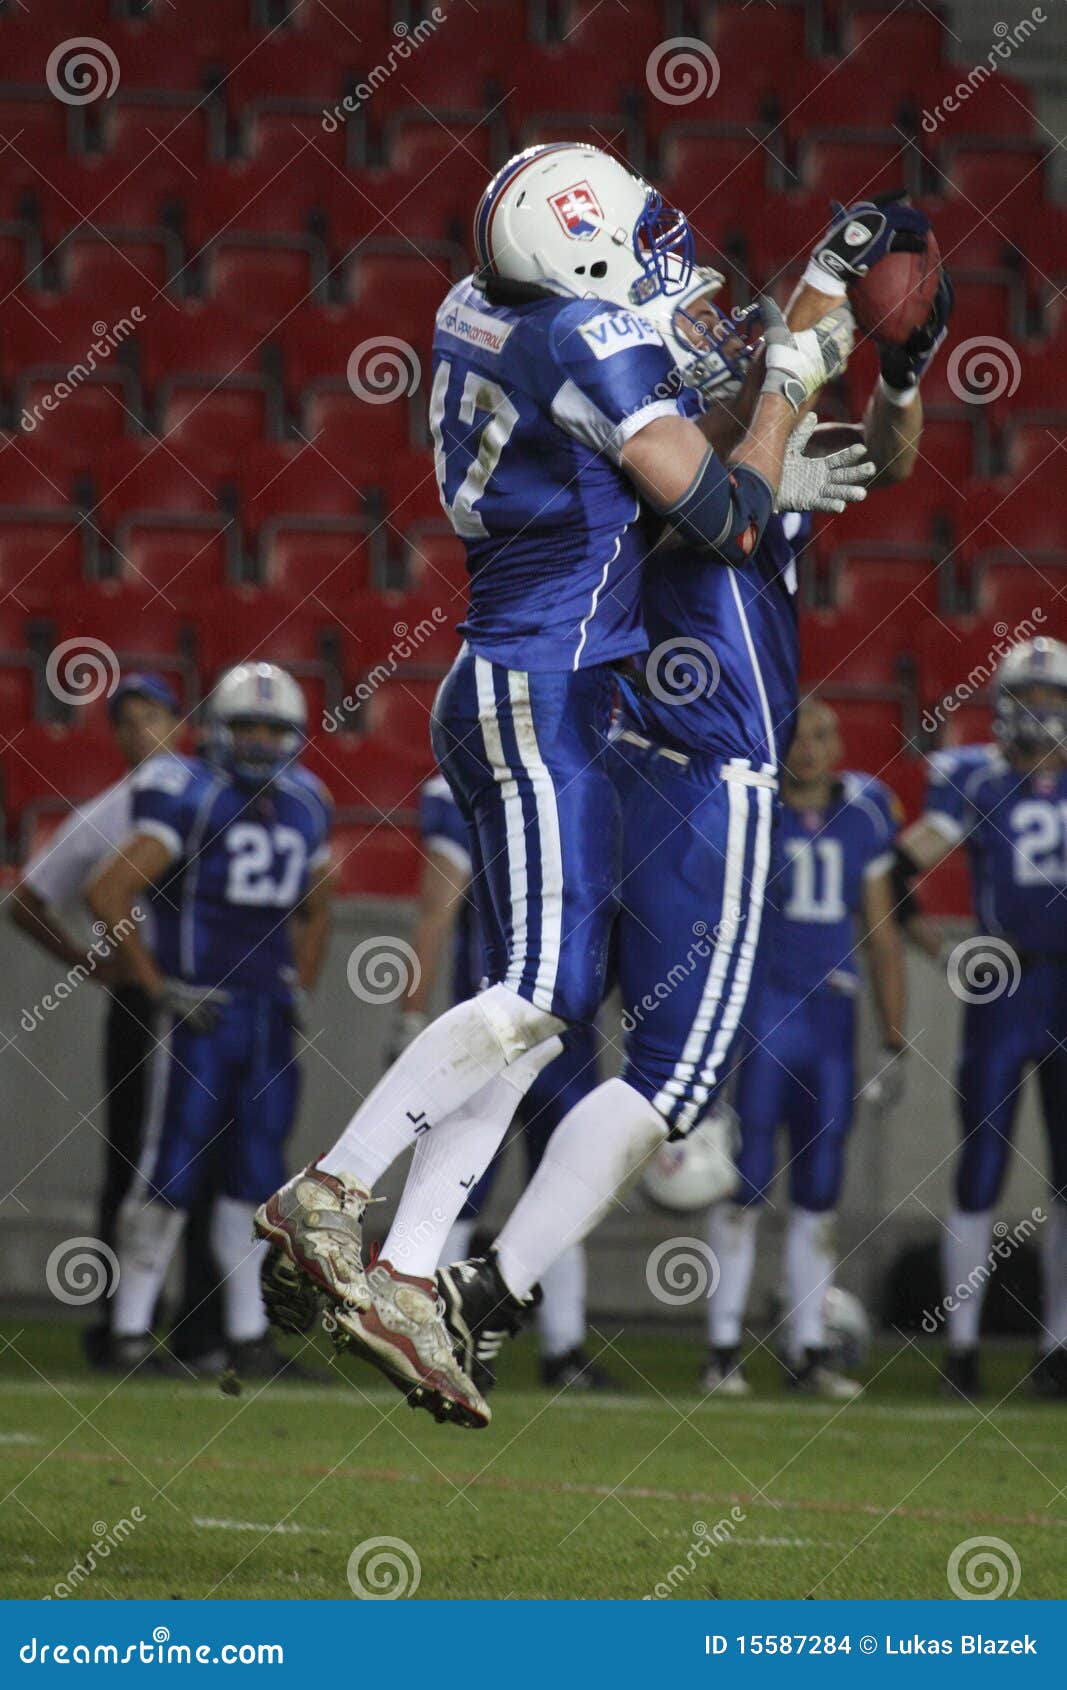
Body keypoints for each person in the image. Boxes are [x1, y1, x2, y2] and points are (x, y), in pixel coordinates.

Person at [255, 140, 857, 1430]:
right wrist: (782, 396)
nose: (658, 264)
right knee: (535, 991)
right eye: (629, 246)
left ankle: (412, 1271)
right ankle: (333, 1187)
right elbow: (718, 519)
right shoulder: (590, 338)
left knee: (548, 1008)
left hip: (528, 680)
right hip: (541, 690)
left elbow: (615, 451)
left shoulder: (475, 304)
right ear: (582, 258)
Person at [433, 196, 951, 1397]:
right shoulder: (687, 475)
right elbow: (750, 460)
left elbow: (879, 449)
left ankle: (420, 1249)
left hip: (624, 763)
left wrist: (904, 366)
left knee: (540, 1016)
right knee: (664, 1079)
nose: (730, 365)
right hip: (704, 770)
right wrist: (829, 278)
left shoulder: (670, 460)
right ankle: (487, 1286)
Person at [86, 662, 333, 1382]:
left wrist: (299, 982)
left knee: (256, 1179)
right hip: (201, 1012)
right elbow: (107, 891)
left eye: (272, 728)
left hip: (264, 1017)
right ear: (219, 731)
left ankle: (248, 1336)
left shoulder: (306, 802)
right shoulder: (185, 793)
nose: (259, 741)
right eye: (246, 726)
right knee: (169, 1171)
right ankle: (129, 1332)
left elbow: (320, 905)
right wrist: (160, 988)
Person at [8, 674, 226, 1370]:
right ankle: (120, 1324)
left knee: (213, 1158)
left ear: (178, 721)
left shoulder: (206, 794)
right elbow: (27, 899)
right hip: (148, 1001)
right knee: (136, 1160)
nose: (142, 734)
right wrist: (89, 962)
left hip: (213, 997)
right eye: (127, 723)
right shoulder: (118, 808)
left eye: (153, 717)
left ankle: (203, 1324)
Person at [703, 699, 907, 1401]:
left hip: (830, 1022)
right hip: (764, 1015)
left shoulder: (866, 814)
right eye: (797, 735)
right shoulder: (751, 811)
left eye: (822, 734)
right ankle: (722, 1345)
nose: (810, 748)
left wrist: (894, 1035)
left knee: (819, 1188)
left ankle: (807, 1347)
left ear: (840, 742)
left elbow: (879, 932)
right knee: (747, 1179)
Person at [393, 770, 613, 1392]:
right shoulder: (467, 789)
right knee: (461, 1188)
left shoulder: (592, 782)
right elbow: (437, 909)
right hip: (502, 1025)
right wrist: (412, 1014)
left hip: (559, 1031)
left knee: (565, 1189)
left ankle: (561, 1345)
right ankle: (430, 1337)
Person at [894, 637, 1067, 1399]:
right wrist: (932, 943)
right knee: (978, 1170)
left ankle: (1057, 1347)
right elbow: (899, 869)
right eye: (1027, 699)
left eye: (1051, 699)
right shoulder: (969, 778)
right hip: (1002, 987)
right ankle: (960, 1350)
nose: (1038, 713)